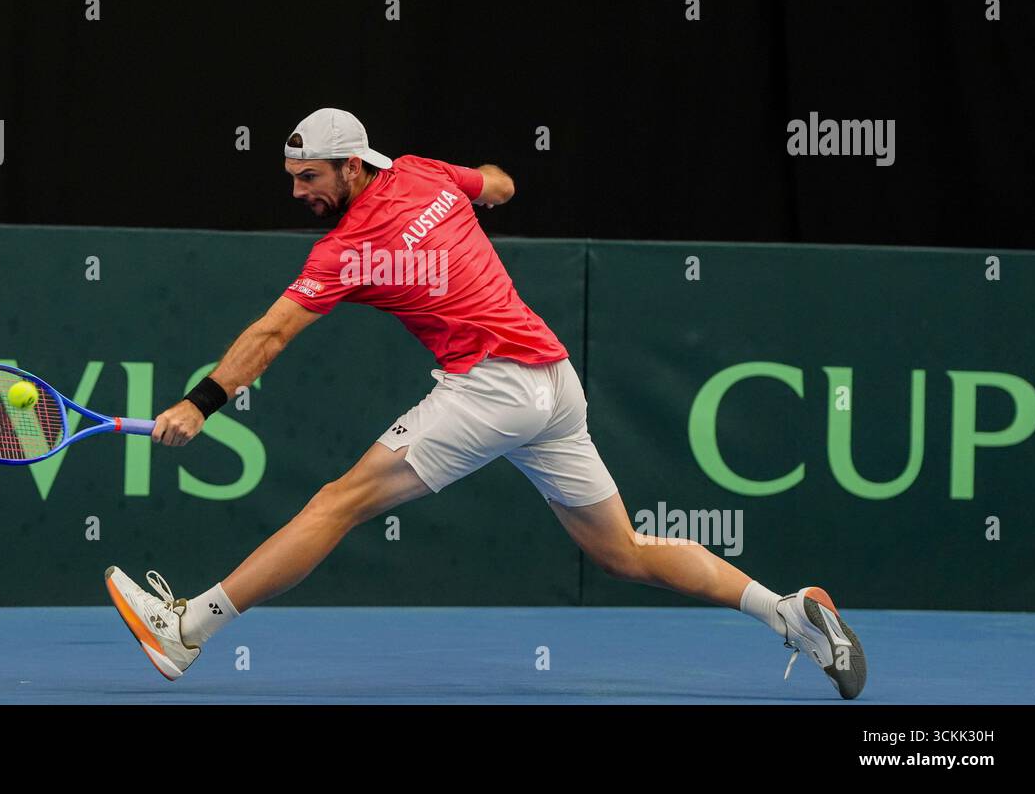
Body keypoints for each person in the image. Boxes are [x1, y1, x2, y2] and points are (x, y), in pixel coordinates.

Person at [104, 107, 867, 699]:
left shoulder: (346, 252)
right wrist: (484, 188)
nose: (299, 192)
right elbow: (498, 183)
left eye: (309, 178)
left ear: (348, 165)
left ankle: (188, 630)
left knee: (335, 504)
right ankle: (787, 612)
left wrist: (201, 403)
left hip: (491, 385)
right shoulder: (426, 172)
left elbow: (271, 334)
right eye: (293, 178)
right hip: (553, 383)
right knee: (622, 550)